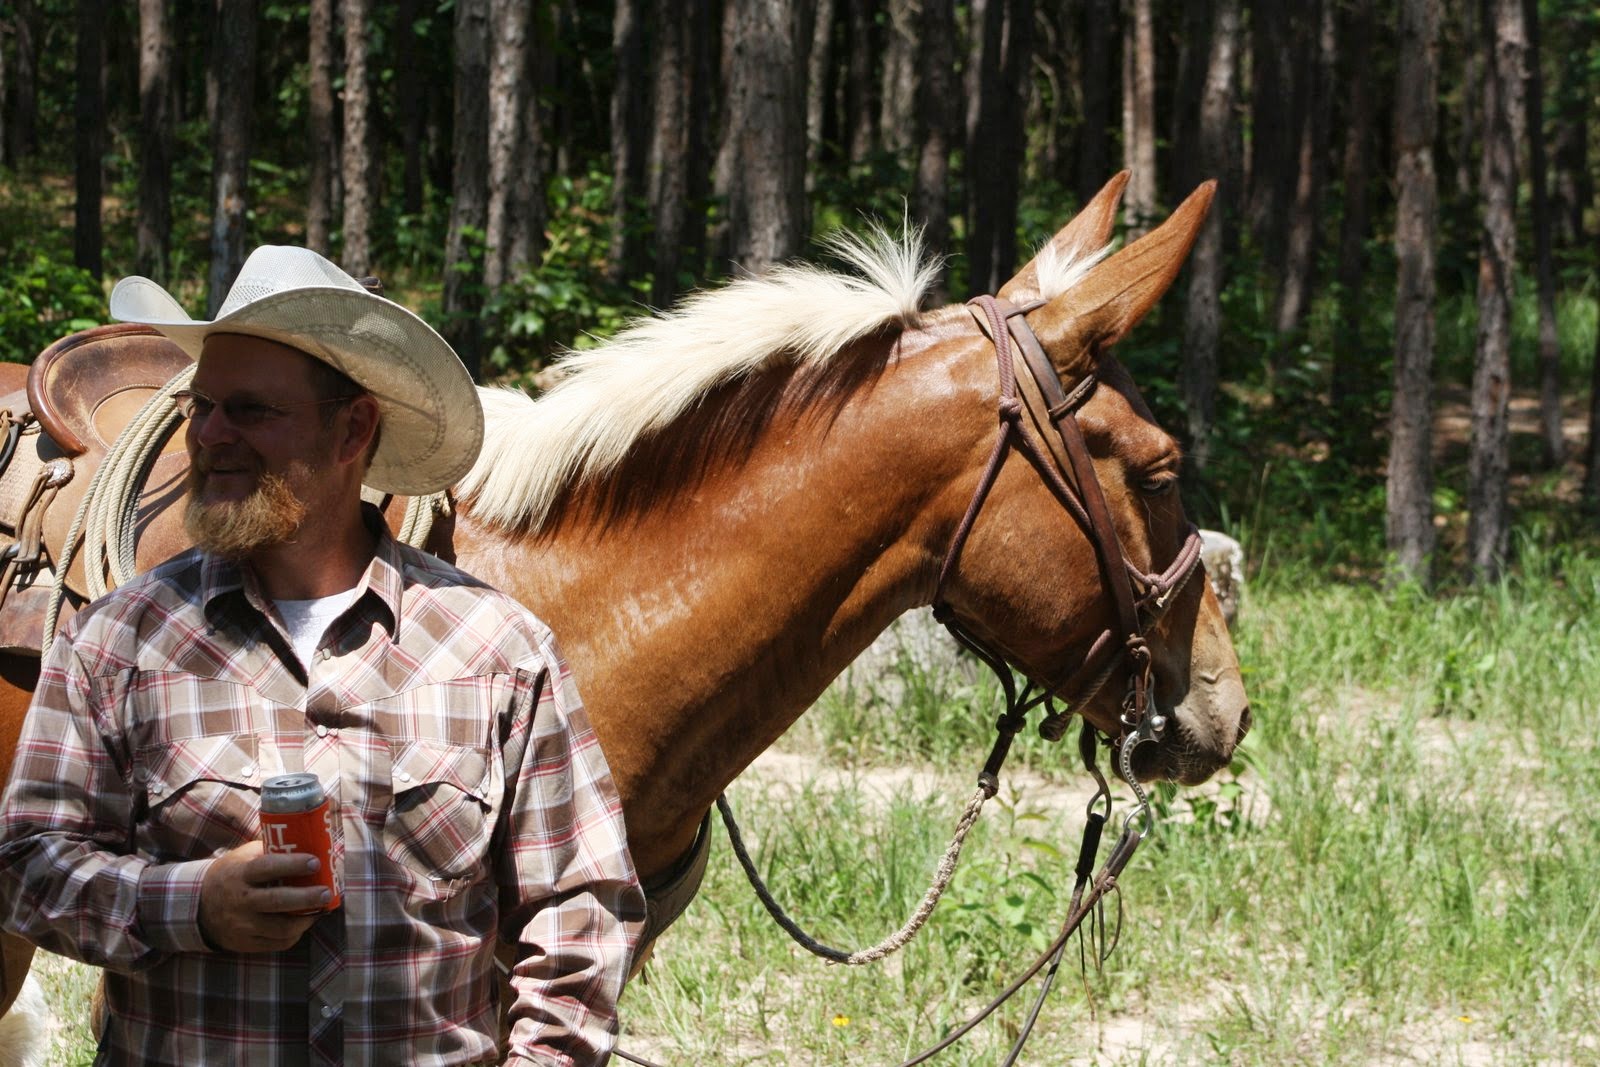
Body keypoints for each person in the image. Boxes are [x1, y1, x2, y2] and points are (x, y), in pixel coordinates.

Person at [0, 247, 644, 1066]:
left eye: (250, 410)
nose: (207, 435)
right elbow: (24, 867)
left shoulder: (498, 653)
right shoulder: (120, 641)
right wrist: (188, 902)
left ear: (354, 428)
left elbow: (579, 918)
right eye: (201, 406)